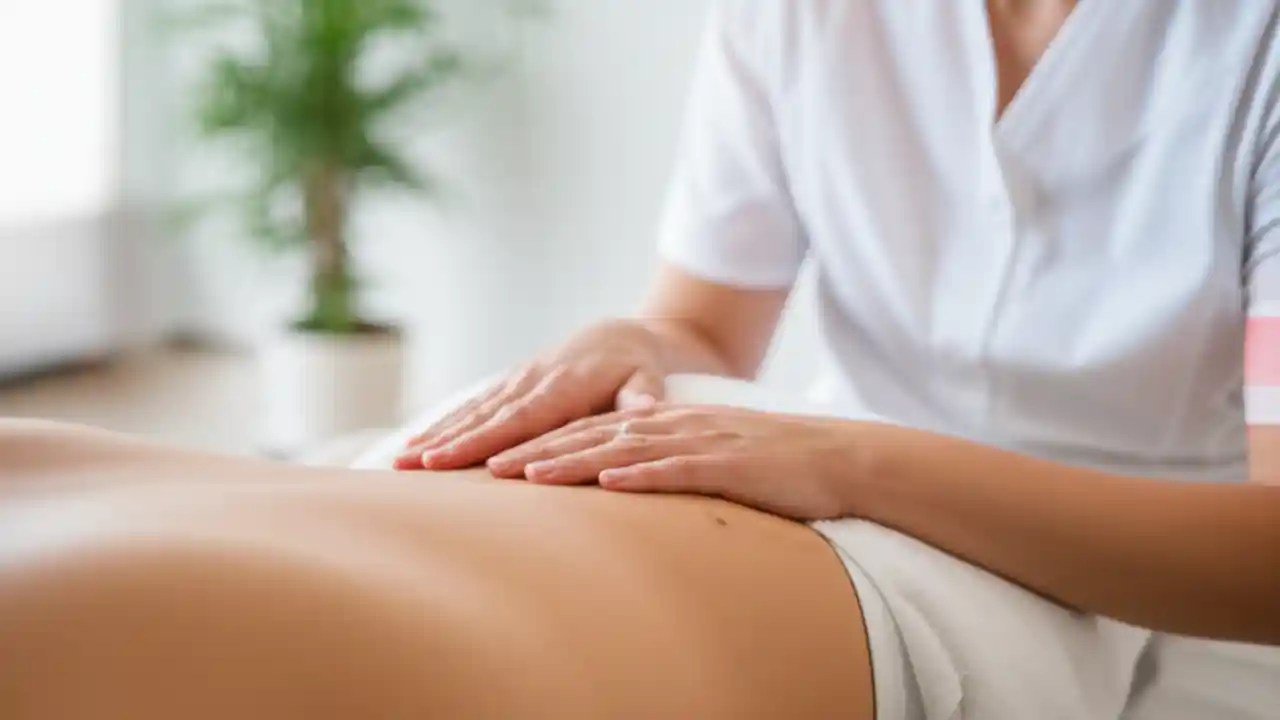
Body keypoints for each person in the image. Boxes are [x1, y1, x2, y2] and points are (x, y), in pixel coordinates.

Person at [2, 1, 1279, 718]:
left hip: (1068, 571)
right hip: (761, 463)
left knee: (123, 616)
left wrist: (846, 461)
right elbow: (707, 333)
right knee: (37, 471)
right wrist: (625, 345)